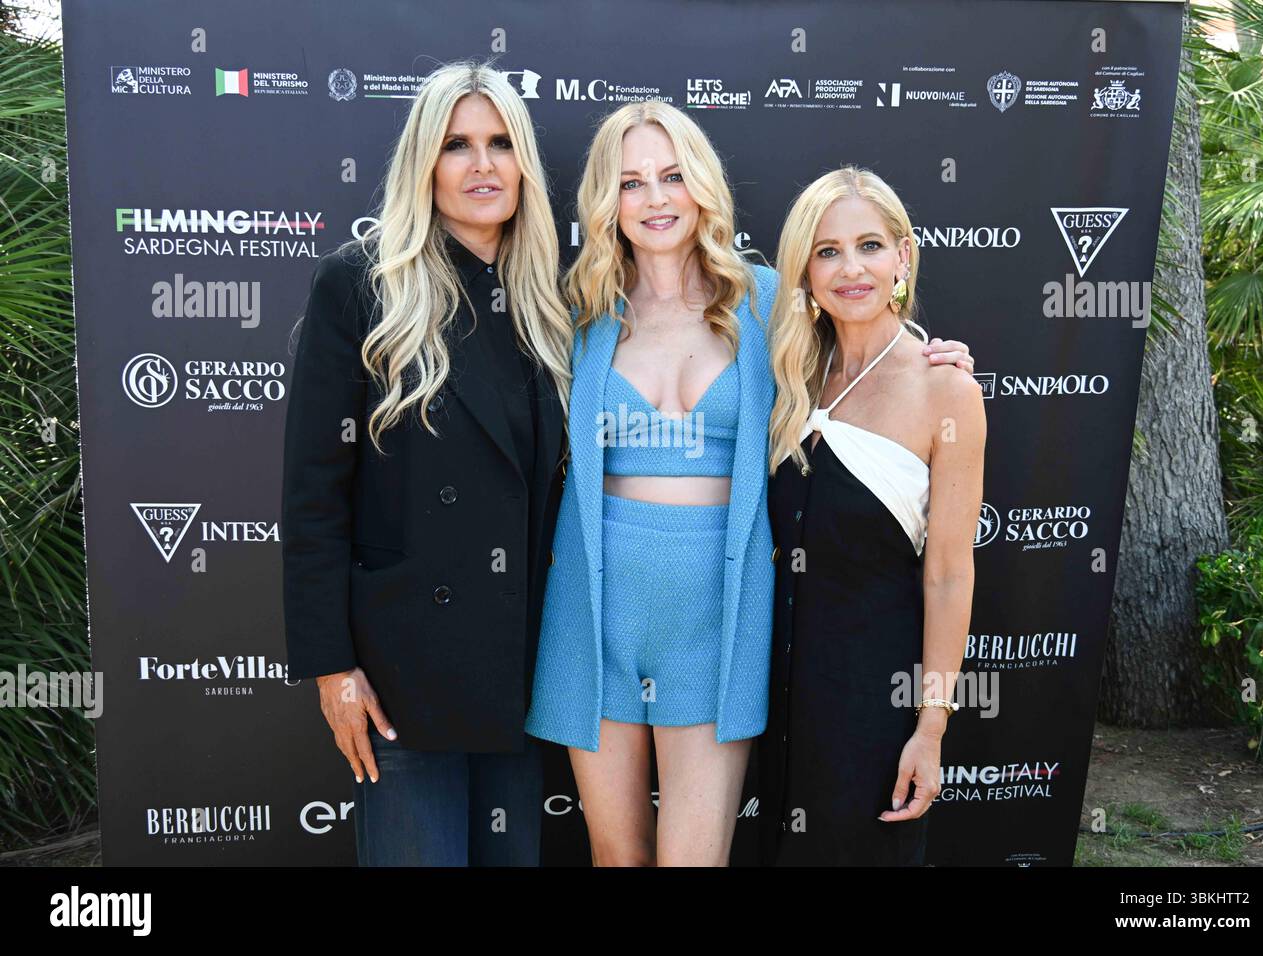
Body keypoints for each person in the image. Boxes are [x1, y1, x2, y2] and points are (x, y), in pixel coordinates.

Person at [525, 102, 975, 866]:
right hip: (592, 607)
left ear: (702, 184)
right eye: (631, 183)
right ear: (607, 200)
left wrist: (939, 360)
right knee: (614, 857)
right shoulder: (578, 309)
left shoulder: (769, 302)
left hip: (718, 614)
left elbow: (861, 342)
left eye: (672, 176)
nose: (656, 198)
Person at [280, 61, 572, 866]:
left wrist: (901, 356)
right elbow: (314, 496)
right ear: (423, 165)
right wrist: (332, 668)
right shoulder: (360, 287)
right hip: (402, 673)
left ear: (523, 164)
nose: (483, 165)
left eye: (501, 143)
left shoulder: (552, 302)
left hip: (525, 669)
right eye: (456, 145)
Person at [760, 166, 986, 865]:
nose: (850, 268)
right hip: (767, 702)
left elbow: (949, 574)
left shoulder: (945, 387)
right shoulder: (786, 376)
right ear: (803, 269)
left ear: (903, 256)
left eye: (869, 246)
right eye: (827, 251)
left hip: (874, 710)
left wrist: (931, 728)